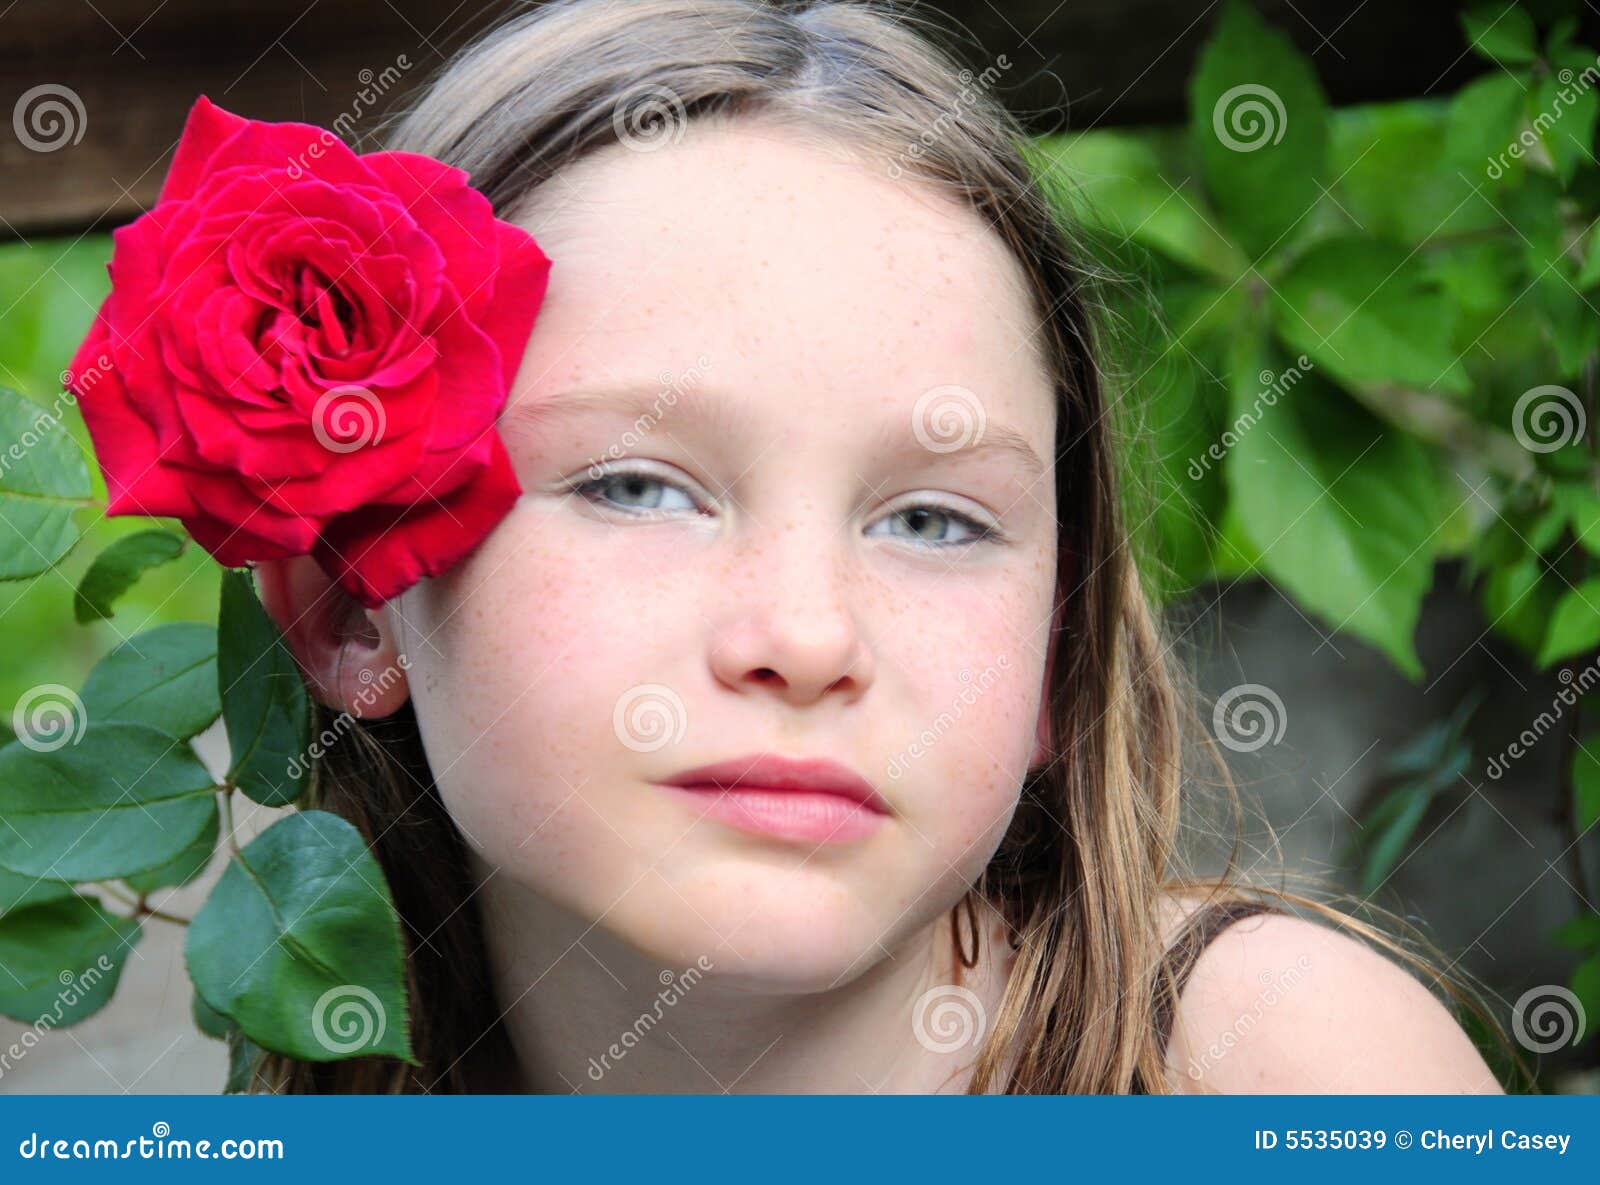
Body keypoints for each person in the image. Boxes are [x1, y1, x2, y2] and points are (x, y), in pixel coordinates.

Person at [251, 0, 1509, 1094]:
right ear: (351, 607)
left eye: (931, 520)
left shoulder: (1280, 1073)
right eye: (638, 486)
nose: (806, 637)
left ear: (1055, 652)